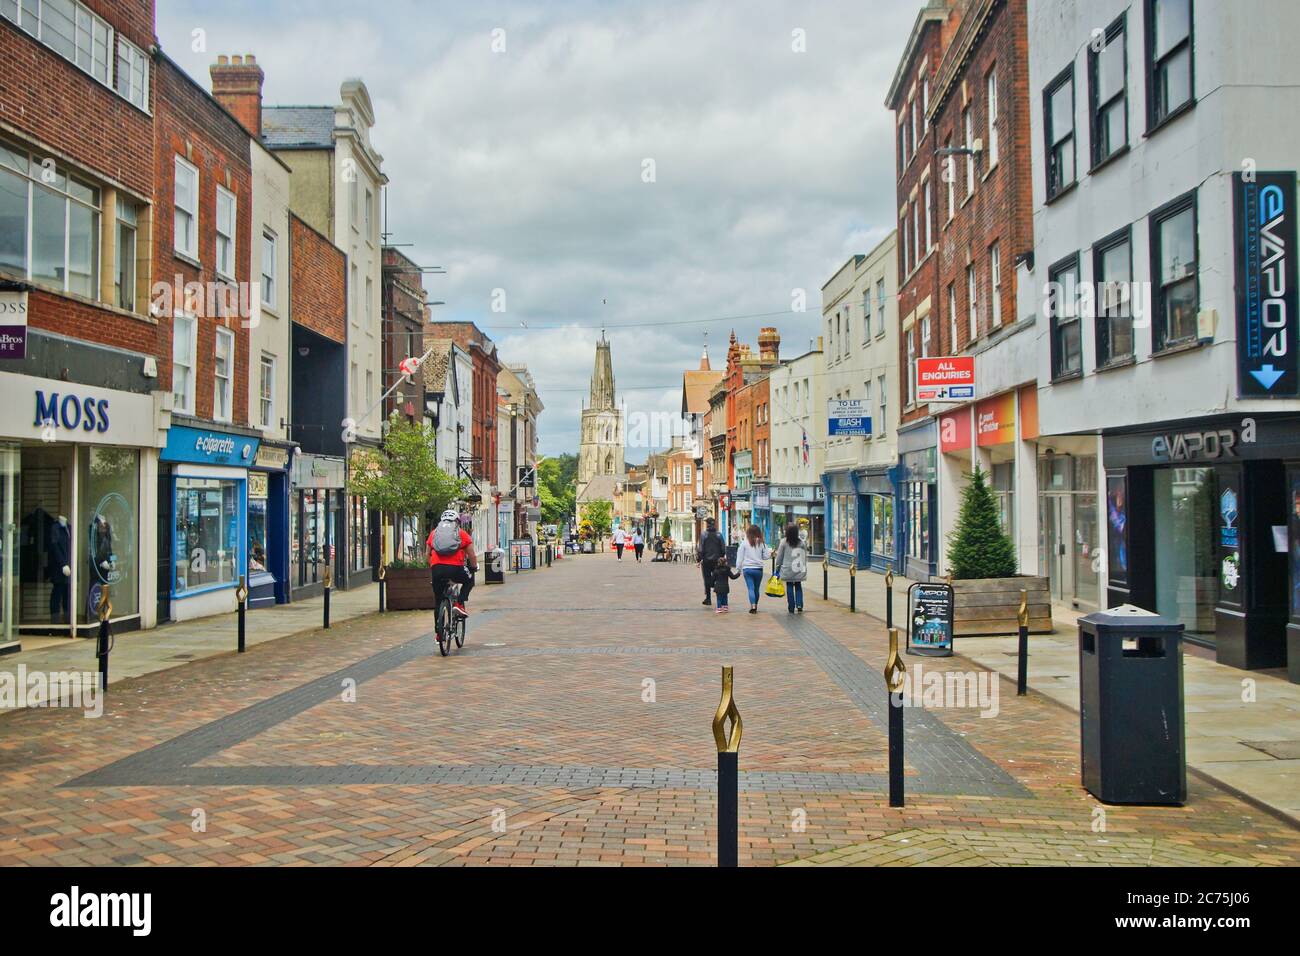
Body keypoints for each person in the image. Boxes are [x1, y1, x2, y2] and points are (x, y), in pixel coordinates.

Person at [427, 508, 478, 616]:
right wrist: (473, 568)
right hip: (456, 568)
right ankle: (459, 604)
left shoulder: (433, 534)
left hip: (437, 569)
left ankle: (439, 632)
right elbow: (472, 555)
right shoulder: (461, 533)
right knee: (470, 581)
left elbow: (427, 554)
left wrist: (433, 567)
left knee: (438, 601)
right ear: (457, 522)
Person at [772, 523, 808, 614]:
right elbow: (804, 556)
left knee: (789, 586)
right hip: (798, 568)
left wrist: (777, 567)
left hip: (788, 569)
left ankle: (791, 606)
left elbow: (779, 556)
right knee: (798, 585)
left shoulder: (784, 542)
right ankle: (799, 605)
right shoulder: (801, 542)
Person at [734, 524, 770, 614]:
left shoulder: (744, 543)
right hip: (758, 569)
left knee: (751, 588)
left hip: (747, 569)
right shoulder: (761, 543)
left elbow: (739, 557)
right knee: (756, 589)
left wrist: (738, 569)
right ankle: (755, 605)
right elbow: (766, 556)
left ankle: (752, 605)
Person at [697, 518, 726, 606]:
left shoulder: (704, 535)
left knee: (706, 578)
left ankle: (708, 598)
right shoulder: (719, 535)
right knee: (717, 578)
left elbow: (701, 549)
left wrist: (699, 559)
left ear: (707, 524)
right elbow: (723, 548)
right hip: (717, 561)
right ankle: (718, 597)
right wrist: (721, 557)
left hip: (706, 561)